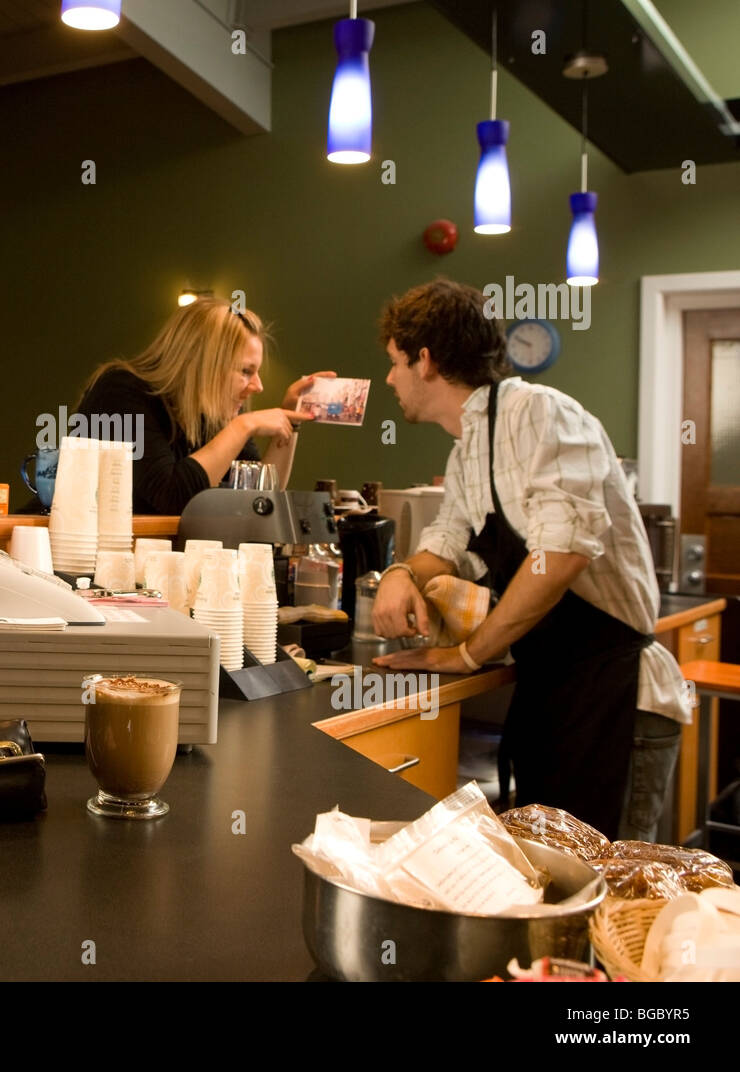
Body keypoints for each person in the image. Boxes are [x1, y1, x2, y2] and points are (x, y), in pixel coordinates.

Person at [371, 279, 692, 841]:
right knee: (550, 882)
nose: (390, 378)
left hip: (614, 699)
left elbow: (560, 556)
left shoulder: (538, 413)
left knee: (605, 887)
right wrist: (400, 575)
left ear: (426, 360)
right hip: (553, 697)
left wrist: (467, 655)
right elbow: (448, 541)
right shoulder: (469, 447)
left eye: (395, 362)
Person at [74, 296, 334, 513]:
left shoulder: (214, 412)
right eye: (246, 371)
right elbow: (171, 497)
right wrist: (243, 426)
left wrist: (290, 421)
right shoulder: (120, 391)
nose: (258, 386)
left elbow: (258, 498)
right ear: (205, 365)